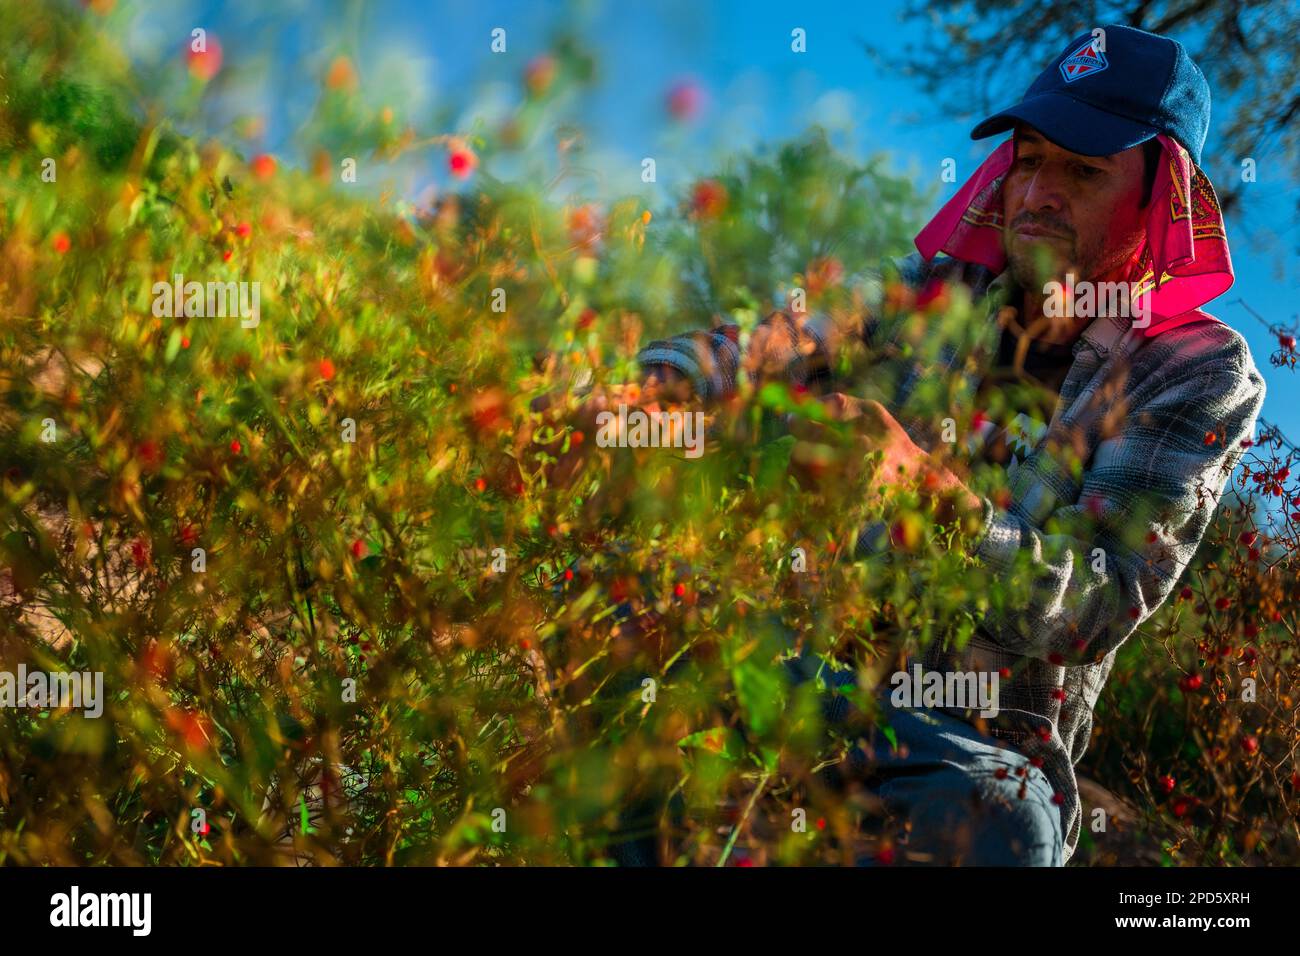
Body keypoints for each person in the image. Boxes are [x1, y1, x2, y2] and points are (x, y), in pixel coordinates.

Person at [553, 24, 1266, 865]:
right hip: (797, 671)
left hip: (968, 741)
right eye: (1029, 158)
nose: (1037, 192)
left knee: (1008, 826)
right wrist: (642, 394)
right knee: (615, 614)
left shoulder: (1194, 370)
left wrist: (923, 490)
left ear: (1161, 199)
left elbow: (1096, 608)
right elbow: (776, 337)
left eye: (1082, 171)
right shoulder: (926, 289)